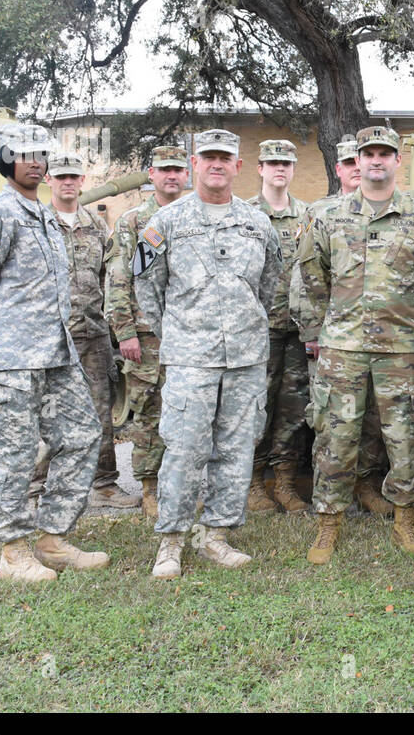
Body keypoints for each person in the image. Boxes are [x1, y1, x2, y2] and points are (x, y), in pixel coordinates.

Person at [0, 123, 107, 582]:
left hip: (56, 354)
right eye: (24, 154)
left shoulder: (44, 216)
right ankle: (13, 551)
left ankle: (52, 538)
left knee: (81, 435)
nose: (35, 161)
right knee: (14, 452)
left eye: (41, 153)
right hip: (8, 358)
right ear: (7, 159)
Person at [134, 128, 282, 579]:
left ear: (238, 167)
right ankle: (172, 542)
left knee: (236, 448)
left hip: (245, 356)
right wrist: (178, 333)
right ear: (194, 164)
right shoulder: (166, 222)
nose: (216, 164)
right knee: (183, 447)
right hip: (190, 357)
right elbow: (146, 286)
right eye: (208, 157)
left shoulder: (257, 223)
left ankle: (217, 535)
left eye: (225, 158)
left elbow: (269, 283)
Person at [297, 125, 414, 564]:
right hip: (344, 348)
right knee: (335, 435)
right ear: (356, 162)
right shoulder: (329, 218)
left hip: (402, 349)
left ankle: (405, 520)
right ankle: (328, 524)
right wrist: (335, 323)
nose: (377, 160)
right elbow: (313, 276)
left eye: (385, 153)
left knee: (404, 437)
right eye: (369, 154)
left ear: (399, 161)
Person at [291, 137, 393, 517]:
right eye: (349, 161)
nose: (357, 166)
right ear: (339, 169)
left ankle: (365, 485)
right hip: (335, 340)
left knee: (372, 419)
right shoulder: (320, 213)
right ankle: (330, 497)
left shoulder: (397, 210)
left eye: (361, 159)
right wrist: (313, 332)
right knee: (332, 418)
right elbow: (305, 279)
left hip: (382, 341)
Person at [37, 151, 137, 508]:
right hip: (50, 336)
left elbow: (107, 277)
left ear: (81, 182)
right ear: (48, 180)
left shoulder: (95, 226)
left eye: (73, 177)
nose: (67, 182)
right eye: (60, 176)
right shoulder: (37, 223)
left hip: (92, 333)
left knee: (100, 412)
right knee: (47, 412)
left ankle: (104, 484)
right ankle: (36, 489)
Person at [104, 145, 189, 518]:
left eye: (178, 170)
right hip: (147, 335)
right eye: (164, 170)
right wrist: (125, 332)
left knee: (188, 412)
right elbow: (119, 277)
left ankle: (183, 486)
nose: (172, 176)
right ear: (151, 175)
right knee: (149, 413)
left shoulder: (193, 218)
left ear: (187, 175)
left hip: (188, 333)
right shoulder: (134, 222)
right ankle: (151, 488)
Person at [247, 138, 310, 515]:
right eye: (272, 163)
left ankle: (285, 483)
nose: (279, 169)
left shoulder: (307, 214)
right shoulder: (246, 214)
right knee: (258, 405)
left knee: (294, 408)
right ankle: (254, 484)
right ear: (260, 169)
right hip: (259, 330)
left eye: (285, 163)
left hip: (298, 329)